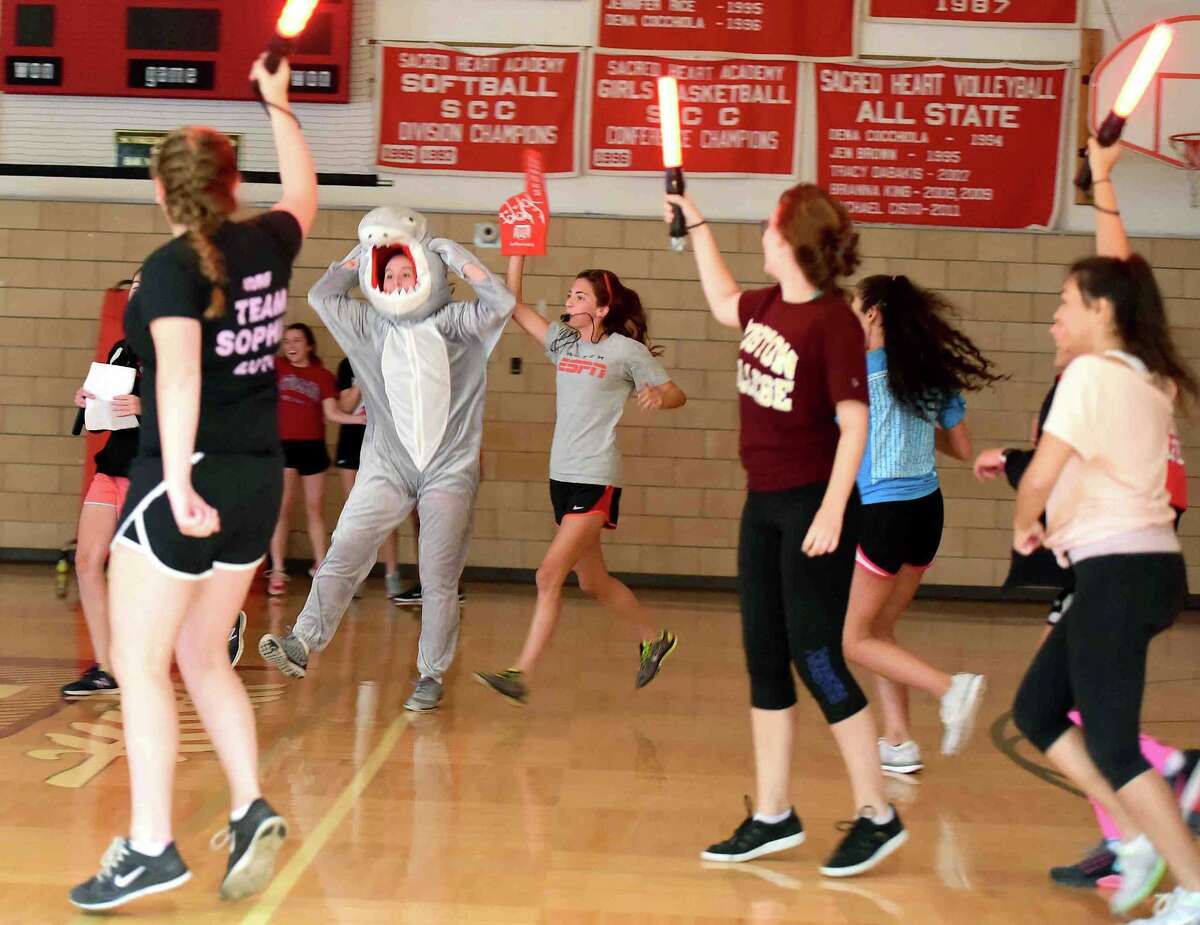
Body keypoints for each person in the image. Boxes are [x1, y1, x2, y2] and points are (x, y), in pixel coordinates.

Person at [69, 55, 317, 911]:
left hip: (192, 482)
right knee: (202, 653)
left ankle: (149, 847)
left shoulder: (173, 267)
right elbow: (306, 195)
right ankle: (249, 807)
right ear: (232, 183)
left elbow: (175, 378)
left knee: (139, 662)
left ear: (163, 193)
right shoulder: (266, 243)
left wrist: (173, 482)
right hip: (259, 481)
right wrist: (280, 104)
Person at [666, 183, 906, 877]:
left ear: (792, 241)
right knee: (765, 657)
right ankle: (774, 813)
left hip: (812, 506)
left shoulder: (833, 322)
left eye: (771, 226)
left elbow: (855, 422)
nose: (763, 235)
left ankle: (879, 812)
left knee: (818, 657)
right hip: (763, 504)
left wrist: (833, 510)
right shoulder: (769, 305)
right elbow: (719, 300)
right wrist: (698, 222)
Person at [1009, 140, 1200, 924]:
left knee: (1115, 746)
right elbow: (1128, 277)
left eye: (1066, 301)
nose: (1057, 313)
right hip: (1134, 572)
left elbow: (1044, 472)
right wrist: (1105, 178)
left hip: (1122, 573)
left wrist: (1029, 523)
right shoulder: (1147, 370)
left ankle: (1190, 884)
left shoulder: (1093, 374)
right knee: (1038, 711)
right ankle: (1134, 833)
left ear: (1102, 313)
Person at [258, 207, 515, 712]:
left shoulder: (458, 322)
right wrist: (365, 250)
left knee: (438, 576)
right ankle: (303, 641)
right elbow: (321, 295)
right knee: (345, 547)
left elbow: (500, 300)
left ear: (427, 272)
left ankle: (431, 675)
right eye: (388, 273)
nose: (397, 281)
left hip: (450, 470)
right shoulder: (367, 326)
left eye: (406, 271)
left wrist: (454, 255)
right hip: (386, 465)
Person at [475, 258, 685, 704]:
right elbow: (513, 307)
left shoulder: (626, 351)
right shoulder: (563, 341)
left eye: (579, 296)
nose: (569, 301)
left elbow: (675, 393)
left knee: (548, 575)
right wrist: (518, 252)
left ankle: (520, 673)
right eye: (570, 295)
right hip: (561, 477)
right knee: (591, 582)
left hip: (595, 477)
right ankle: (654, 637)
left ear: (603, 308)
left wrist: (657, 396)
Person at [840, 274, 1001, 773]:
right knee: (882, 627)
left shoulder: (856, 373)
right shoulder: (928, 371)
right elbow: (961, 447)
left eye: (854, 304)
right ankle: (899, 741)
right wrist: (911, 426)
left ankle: (950, 688)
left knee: (853, 639)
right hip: (926, 511)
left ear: (873, 314)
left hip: (883, 513)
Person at [62, 277, 246, 698]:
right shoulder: (122, 349)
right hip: (113, 465)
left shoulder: (181, 348)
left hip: (157, 471)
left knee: (169, 572)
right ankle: (107, 667)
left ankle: (222, 618)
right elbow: (113, 402)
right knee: (88, 562)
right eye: (133, 288)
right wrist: (91, 400)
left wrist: (147, 406)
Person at [266, 323, 365, 595]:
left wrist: (359, 418)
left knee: (315, 508)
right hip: (284, 447)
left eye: (297, 340)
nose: (291, 346)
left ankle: (321, 564)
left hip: (313, 447)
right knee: (283, 508)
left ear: (309, 345)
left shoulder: (321, 375)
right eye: (286, 342)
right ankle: (277, 569)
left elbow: (332, 413)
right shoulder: (276, 368)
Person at [334, 355, 405, 600]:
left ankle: (392, 574)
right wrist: (364, 375)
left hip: (383, 444)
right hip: (352, 443)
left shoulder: (394, 358)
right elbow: (344, 406)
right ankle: (353, 578)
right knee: (354, 514)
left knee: (385, 514)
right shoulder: (348, 364)